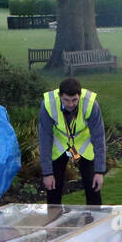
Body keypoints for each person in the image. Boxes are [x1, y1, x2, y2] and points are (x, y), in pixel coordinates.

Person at [39, 77, 106, 206]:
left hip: (83, 146)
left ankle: (96, 223)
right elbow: (45, 139)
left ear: (79, 96)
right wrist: (47, 173)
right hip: (59, 146)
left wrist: (99, 171)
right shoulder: (47, 104)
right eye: (66, 100)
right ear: (59, 96)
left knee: (93, 187)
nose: (70, 104)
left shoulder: (91, 104)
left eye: (74, 100)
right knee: (52, 188)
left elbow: (99, 138)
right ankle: (53, 224)